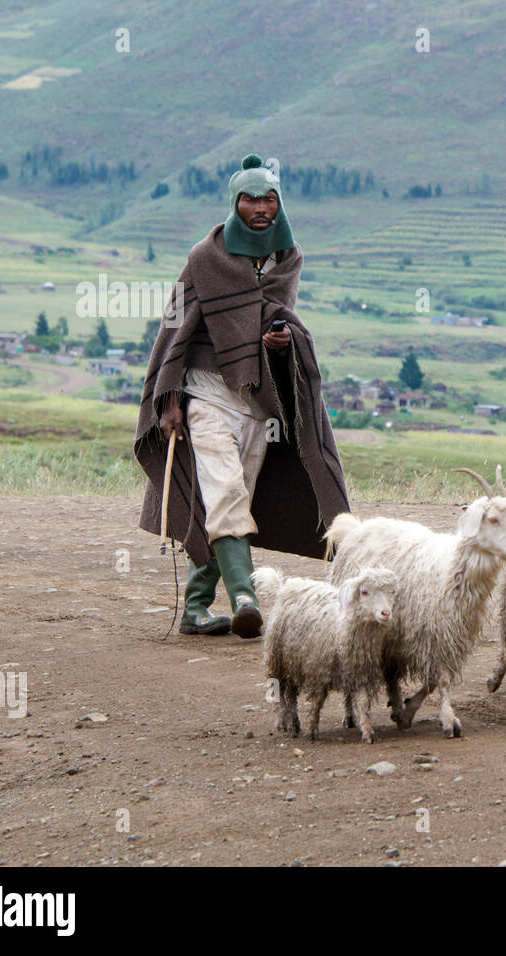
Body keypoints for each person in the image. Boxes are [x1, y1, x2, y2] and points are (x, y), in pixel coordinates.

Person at [134, 154, 349, 637]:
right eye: (250, 199)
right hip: (207, 395)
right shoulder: (205, 258)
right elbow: (175, 329)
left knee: (228, 502)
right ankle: (247, 599)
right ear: (235, 203)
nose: (260, 207)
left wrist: (279, 343)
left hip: (257, 404)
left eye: (268, 198)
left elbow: (276, 319)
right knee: (227, 495)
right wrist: (168, 401)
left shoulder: (287, 259)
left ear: (279, 204)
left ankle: (194, 608)